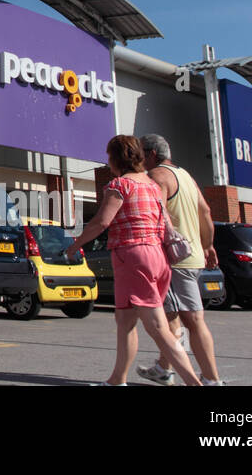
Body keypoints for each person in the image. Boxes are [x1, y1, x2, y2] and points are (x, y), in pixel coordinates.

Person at [65, 135, 200, 386]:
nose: (108, 162)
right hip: (157, 256)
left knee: (158, 327)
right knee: (125, 320)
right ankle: (117, 380)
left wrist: (76, 244)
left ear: (117, 158)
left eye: (109, 157)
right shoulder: (151, 185)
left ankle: (194, 383)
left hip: (132, 256)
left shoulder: (120, 185)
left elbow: (102, 221)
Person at [136, 133, 224, 386]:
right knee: (175, 318)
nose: (138, 159)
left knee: (189, 321)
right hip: (192, 256)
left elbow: (158, 215)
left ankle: (210, 379)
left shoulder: (156, 177)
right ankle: (164, 368)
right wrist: (208, 246)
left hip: (174, 260)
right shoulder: (186, 176)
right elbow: (205, 212)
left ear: (151, 154)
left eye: (141, 153)